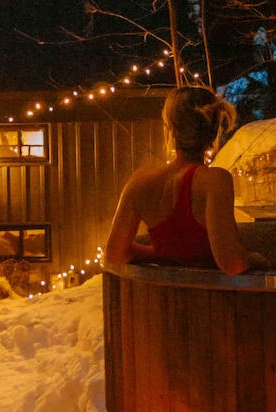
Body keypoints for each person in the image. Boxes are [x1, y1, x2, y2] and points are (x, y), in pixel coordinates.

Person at [104, 86, 260, 274]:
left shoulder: (140, 181)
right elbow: (231, 264)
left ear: (169, 129)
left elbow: (114, 254)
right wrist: (256, 259)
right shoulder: (215, 181)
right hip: (210, 292)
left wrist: (164, 253)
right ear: (213, 131)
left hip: (163, 291)